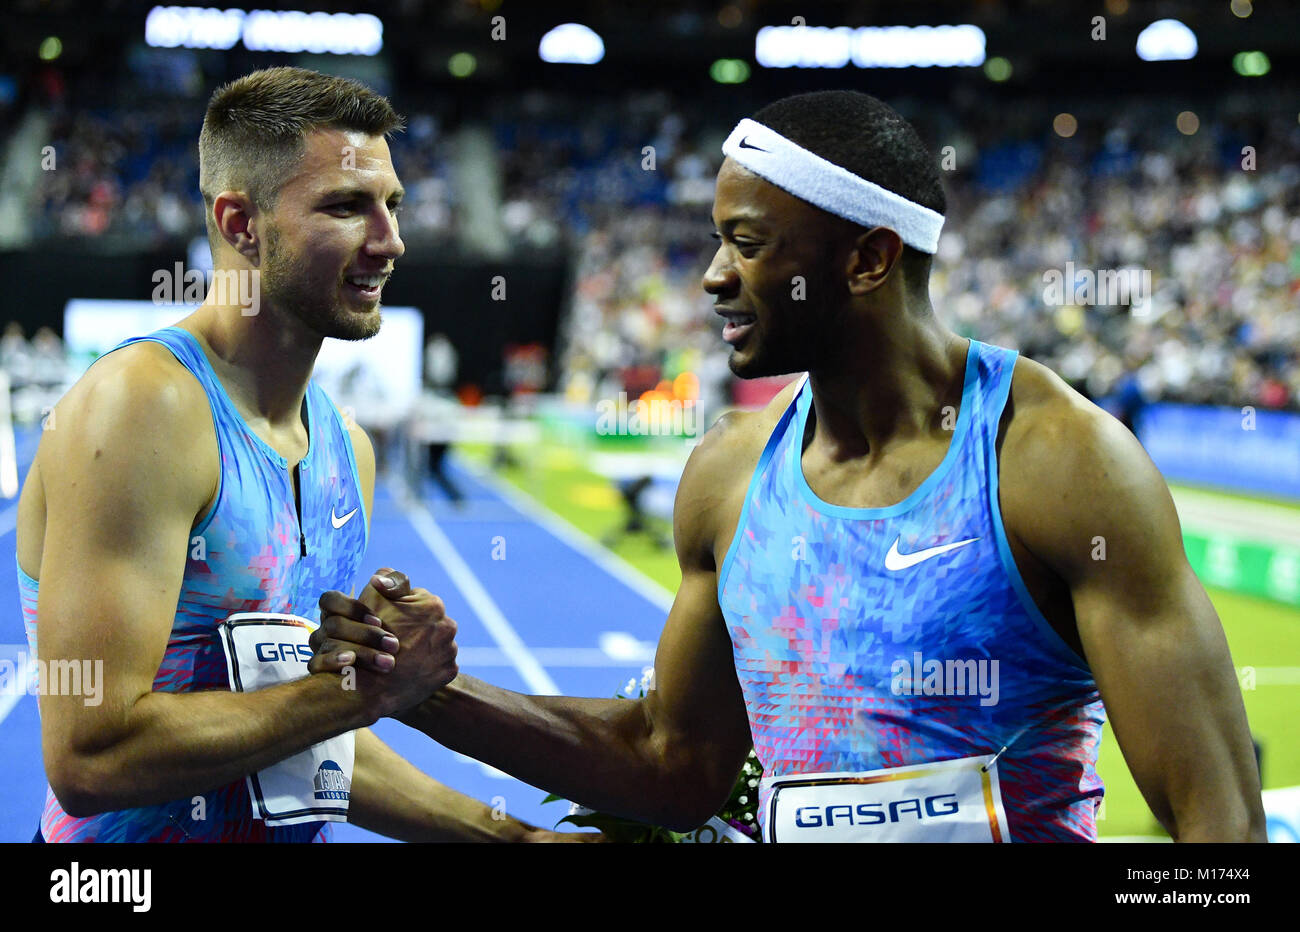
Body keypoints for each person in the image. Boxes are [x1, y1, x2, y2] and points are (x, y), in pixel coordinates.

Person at [311, 91, 1266, 842]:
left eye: (749, 243)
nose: (713, 275)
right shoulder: (730, 472)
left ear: (866, 260)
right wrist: (425, 690)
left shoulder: (1055, 461)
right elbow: (673, 768)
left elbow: (1218, 822)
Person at [16, 66, 583, 842]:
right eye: (348, 207)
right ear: (240, 223)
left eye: (393, 204)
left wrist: (519, 839)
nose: (391, 241)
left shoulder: (347, 449)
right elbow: (91, 759)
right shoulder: (145, 406)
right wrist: (356, 693)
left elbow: (299, 730)